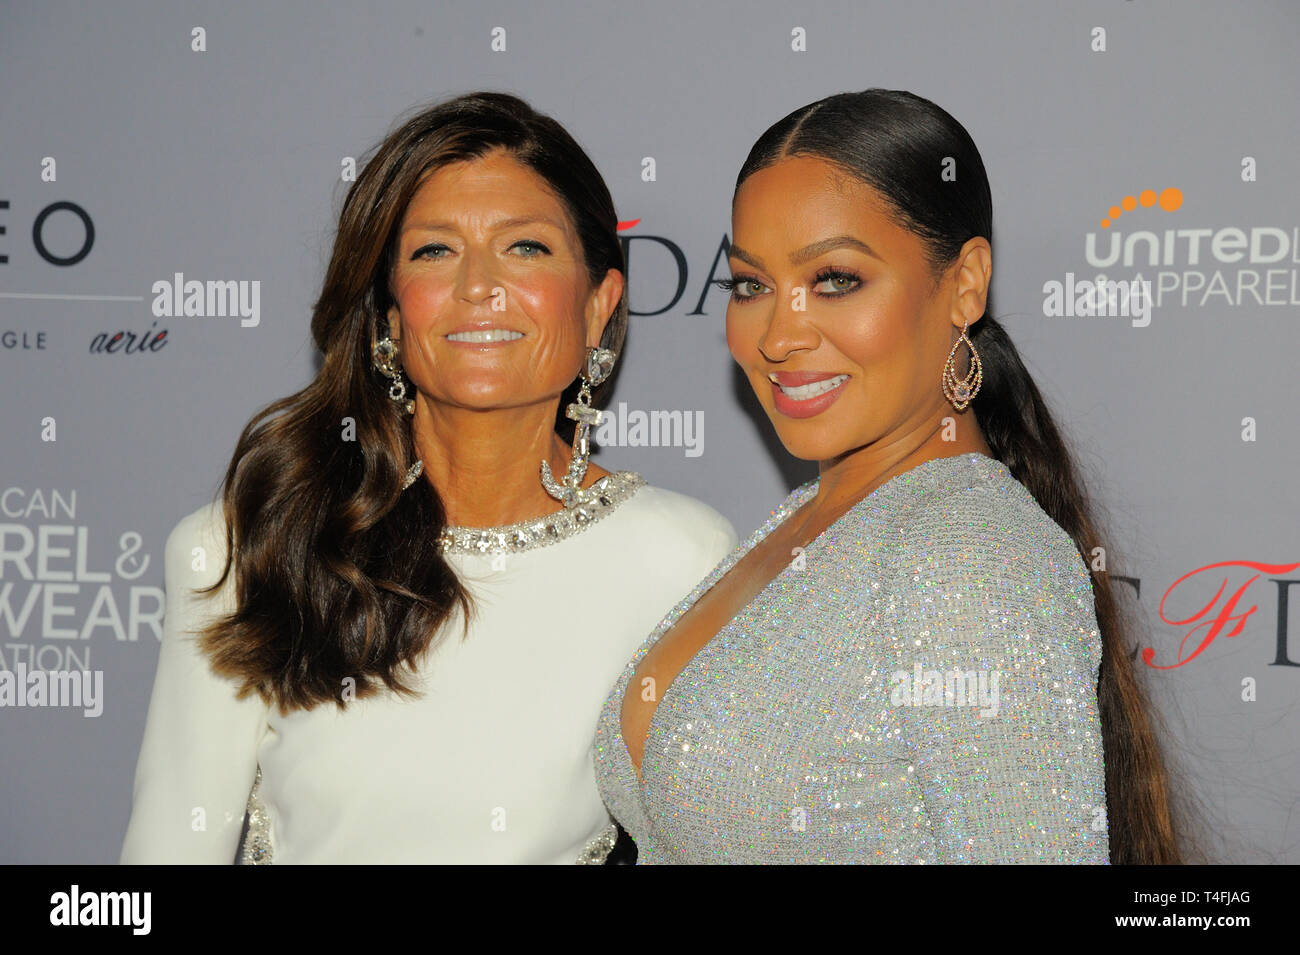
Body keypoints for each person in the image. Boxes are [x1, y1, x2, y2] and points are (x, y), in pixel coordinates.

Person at [119, 91, 736, 864]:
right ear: (387, 316)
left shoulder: (683, 563)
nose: (478, 284)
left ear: (597, 306)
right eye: (434, 251)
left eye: (527, 248)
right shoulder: (249, 547)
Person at [592, 89, 1184, 864]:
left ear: (965, 283)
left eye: (835, 279)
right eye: (750, 283)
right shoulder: (813, 519)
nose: (778, 333)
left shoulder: (969, 554)